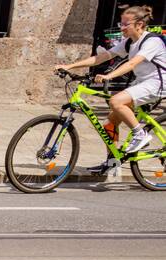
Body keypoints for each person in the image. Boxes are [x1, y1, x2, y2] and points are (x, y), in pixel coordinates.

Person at [59, 5, 166, 176]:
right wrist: (69, 65)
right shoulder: (130, 42)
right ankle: (112, 162)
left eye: (125, 24)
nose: (121, 27)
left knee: (116, 101)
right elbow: (103, 56)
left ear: (139, 24)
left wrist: (109, 76)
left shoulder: (152, 41)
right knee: (110, 122)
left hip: (157, 84)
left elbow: (132, 64)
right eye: (120, 23)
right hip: (142, 83)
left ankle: (141, 135)